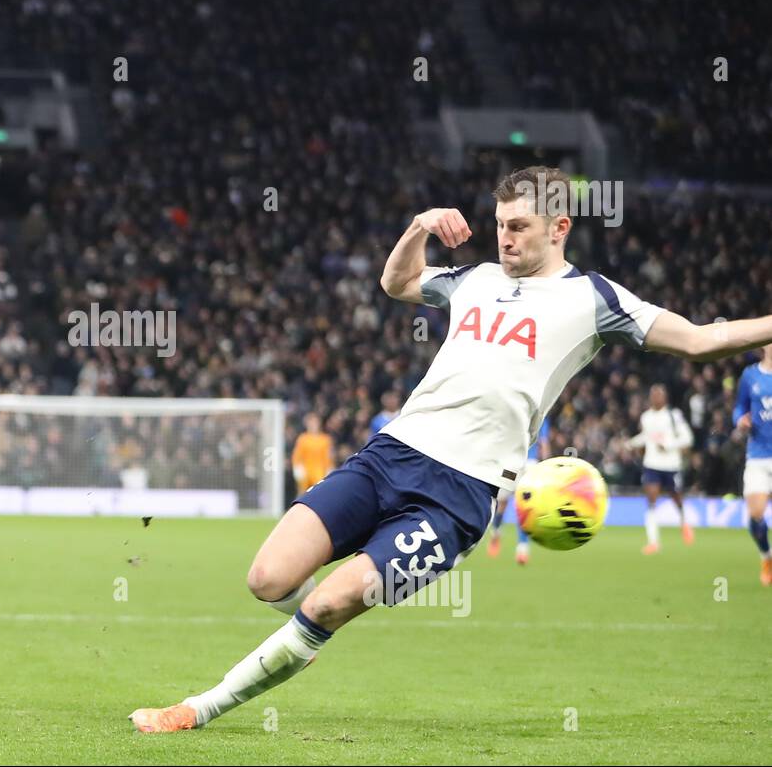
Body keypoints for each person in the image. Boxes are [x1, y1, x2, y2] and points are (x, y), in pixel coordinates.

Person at [130, 166, 772, 732]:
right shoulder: (474, 278)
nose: (506, 237)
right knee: (267, 579)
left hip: (458, 496)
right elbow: (397, 283)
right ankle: (302, 638)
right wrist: (418, 227)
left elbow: (696, 341)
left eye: (520, 225)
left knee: (329, 601)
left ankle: (201, 707)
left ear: (560, 226)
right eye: (500, 224)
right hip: (390, 455)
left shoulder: (595, 299)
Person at [629, 383, 695, 554]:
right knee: (651, 501)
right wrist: (630, 443)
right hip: (652, 464)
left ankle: (684, 523)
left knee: (676, 497)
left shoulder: (674, 415)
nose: (656, 397)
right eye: (653, 394)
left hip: (671, 465)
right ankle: (653, 541)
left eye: (659, 394)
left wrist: (669, 445)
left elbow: (687, 438)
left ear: (665, 397)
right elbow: (646, 437)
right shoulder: (646, 417)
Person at [733, 344, 772, 585]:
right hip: (758, 455)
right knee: (756, 513)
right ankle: (766, 557)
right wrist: (740, 420)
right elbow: (739, 406)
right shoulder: (750, 375)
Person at [487, 417, 550, 564]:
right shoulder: (517, 411)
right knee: (501, 503)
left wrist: (545, 465)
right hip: (511, 465)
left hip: (529, 465)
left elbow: (544, 442)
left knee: (524, 506)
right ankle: (496, 533)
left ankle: (522, 548)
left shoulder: (541, 416)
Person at [291, 413, 334, 496]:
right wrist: (297, 468)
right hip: (306, 471)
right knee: (303, 494)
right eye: (311, 423)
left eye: (315, 422)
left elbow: (328, 457)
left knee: (320, 493)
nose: (313, 425)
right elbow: (297, 456)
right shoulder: (303, 438)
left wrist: (330, 468)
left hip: (320, 471)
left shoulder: (325, 439)